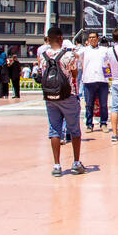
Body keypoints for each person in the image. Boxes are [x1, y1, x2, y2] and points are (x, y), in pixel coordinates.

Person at [36, 26, 87, 176]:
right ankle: (76, 163)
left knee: (54, 130)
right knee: (74, 129)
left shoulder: (43, 56)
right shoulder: (68, 56)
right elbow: (74, 73)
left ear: (48, 40)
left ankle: (57, 165)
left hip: (50, 97)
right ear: (60, 38)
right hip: (68, 95)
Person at [80, 32, 110, 133]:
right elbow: (74, 55)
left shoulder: (104, 50)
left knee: (103, 104)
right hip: (88, 80)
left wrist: (109, 77)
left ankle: (103, 123)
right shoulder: (84, 50)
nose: (92, 39)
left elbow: (108, 63)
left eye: (94, 37)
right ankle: (89, 124)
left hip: (102, 80)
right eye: (90, 37)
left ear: (98, 39)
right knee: (89, 104)